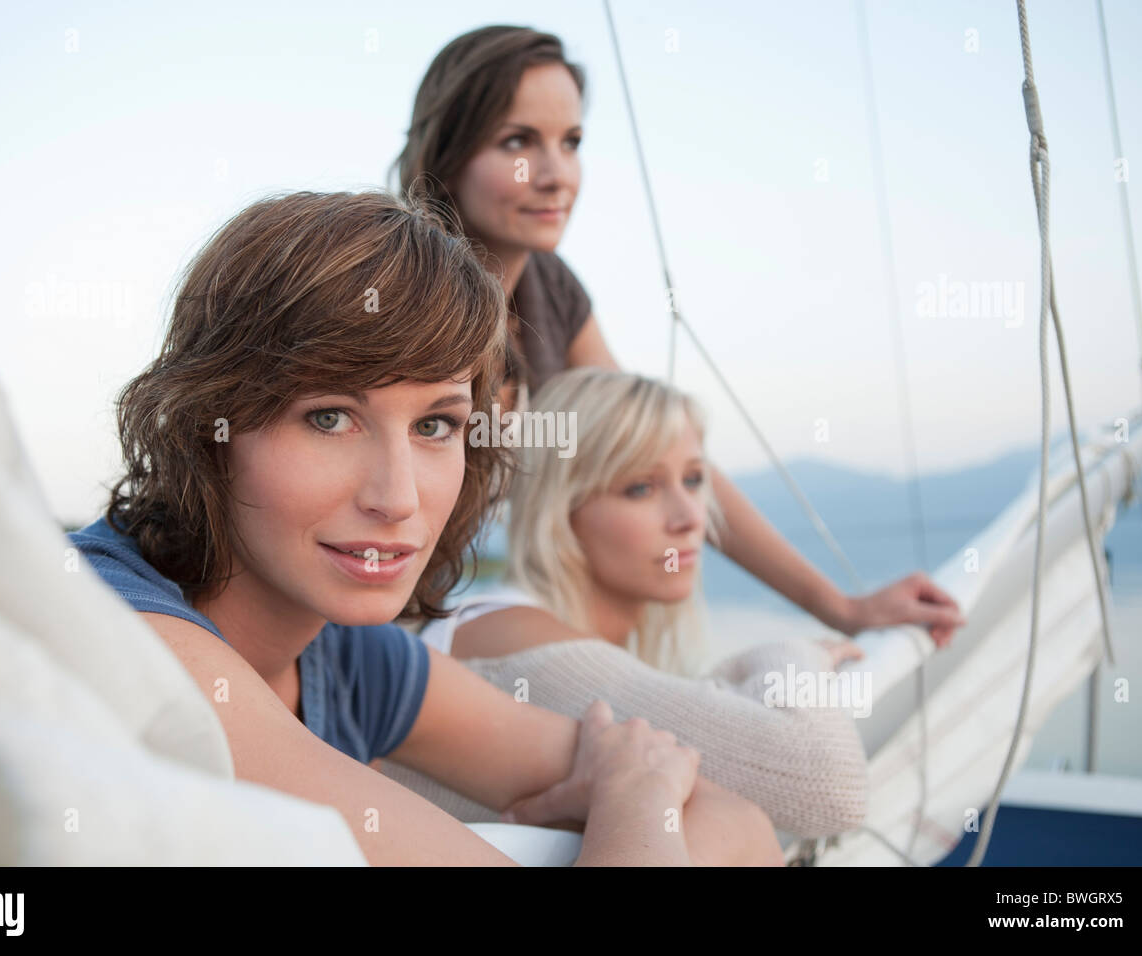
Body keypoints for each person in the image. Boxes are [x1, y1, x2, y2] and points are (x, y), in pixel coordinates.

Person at [67, 189, 784, 866]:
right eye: (329, 417)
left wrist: (635, 807)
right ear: (208, 426)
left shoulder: (348, 658)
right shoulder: (125, 640)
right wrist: (638, 804)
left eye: (436, 424)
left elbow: (743, 825)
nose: (398, 497)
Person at [393, 25, 966, 647]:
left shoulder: (552, 293)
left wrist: (840, 608)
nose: (558, 174)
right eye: (518, 142)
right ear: (448, 155)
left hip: (414, 635)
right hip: (354, 637)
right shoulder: (404, 302)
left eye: (572, 141)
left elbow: (661, 454)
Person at [379, 368, 871, 838]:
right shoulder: (520, 641)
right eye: (641, 488)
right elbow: (828, 784)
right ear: (562, 509)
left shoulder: (528, 626)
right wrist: (797, 656)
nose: (688, 517)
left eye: (694, 480)